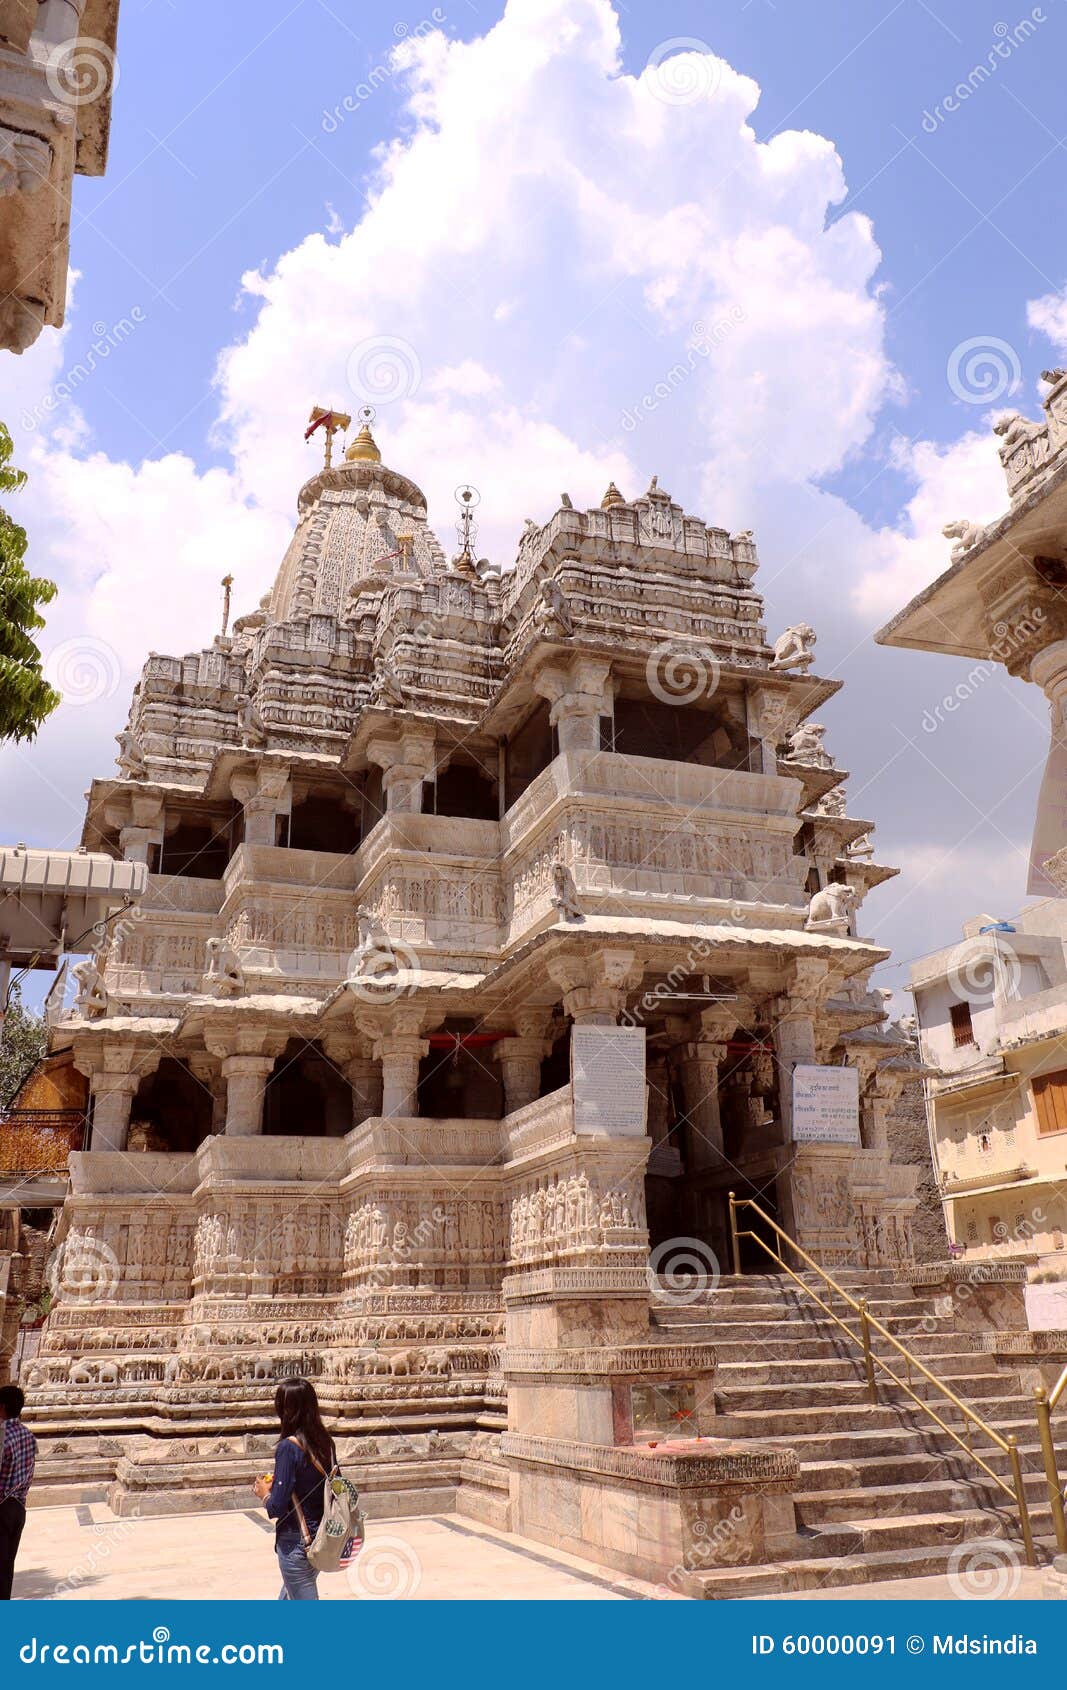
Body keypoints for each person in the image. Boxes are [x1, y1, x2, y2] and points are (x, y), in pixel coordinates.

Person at [252, 1378, 335, 1600]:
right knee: (290, 1596)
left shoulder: (288, 1448)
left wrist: (264, 1493)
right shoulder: (326, 1442)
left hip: (298, 1540)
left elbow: (276, 1507)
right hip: (321, 1536)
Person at [0, 1384, 36, 1601]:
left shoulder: (3, 1438)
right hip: (18, 1508)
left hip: (2, 1508)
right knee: (5, 1568)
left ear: (2, 1407)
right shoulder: (28, 1435)